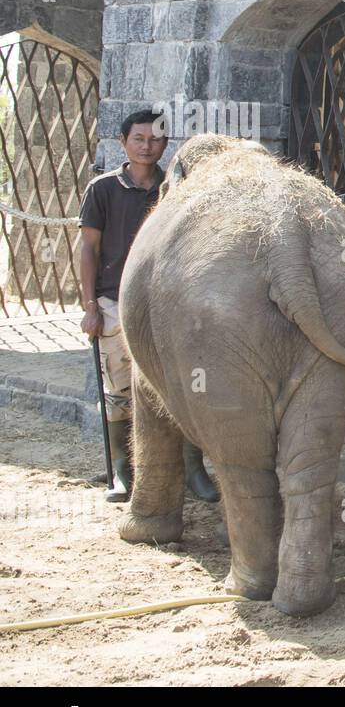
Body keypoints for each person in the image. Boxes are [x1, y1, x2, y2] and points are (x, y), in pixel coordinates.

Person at [79, 110, 220, 503]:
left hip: (166, 301)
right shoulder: (103, 189)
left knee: (182, 386)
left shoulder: (177, 190)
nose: (146, 147)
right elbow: (88, 248)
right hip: (113, 300)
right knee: (118, 389)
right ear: (123, 142)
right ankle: (123, 473)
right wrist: (91, 306)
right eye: (138, 139)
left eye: (155, 140)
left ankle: (194, 470)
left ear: (165, 144)